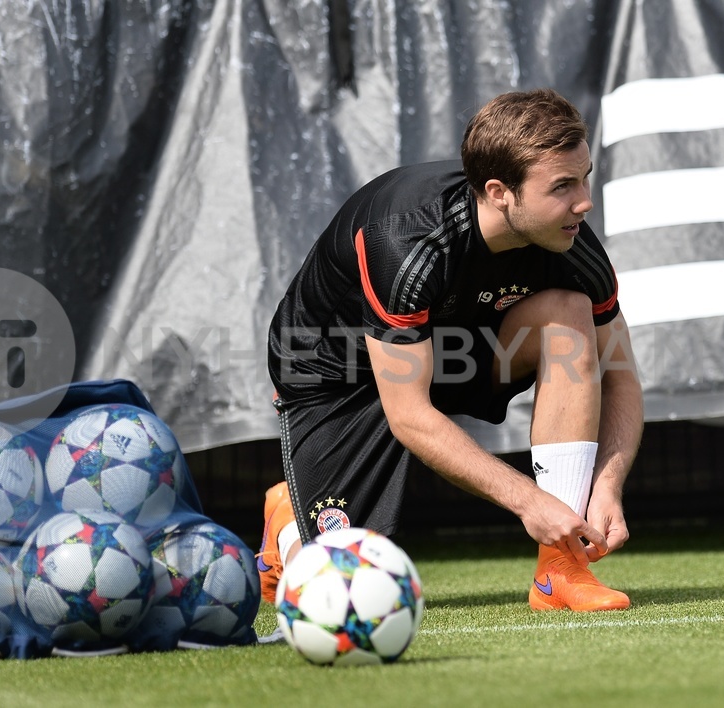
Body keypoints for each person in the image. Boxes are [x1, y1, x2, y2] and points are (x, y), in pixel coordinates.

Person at [257, 88, 643, 612]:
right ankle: (289, 518)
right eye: (562, 186)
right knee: (342, 596)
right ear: (499, 191)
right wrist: (531, 500)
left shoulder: (572, 248)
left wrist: (607, 485)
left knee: (567, 312)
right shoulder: (408, 240)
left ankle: (561, 571)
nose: (585, 201)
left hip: (452, 349)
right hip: (334, 373)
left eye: (585, 176)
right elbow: (410, 417)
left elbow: (620, 375)